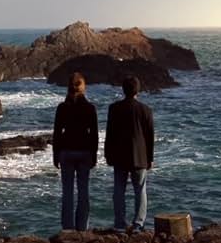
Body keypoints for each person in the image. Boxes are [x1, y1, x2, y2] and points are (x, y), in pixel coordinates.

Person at [105, 76, 154, 233]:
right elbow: (149, 136)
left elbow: (109, 134)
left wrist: (107, 154)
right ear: (138, 90)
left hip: (119, 155)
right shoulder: (146, 110)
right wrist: (150, 158)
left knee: (119, 190)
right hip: (140, 156)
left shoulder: (114, 108)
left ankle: (120, 223)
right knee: (140, 190)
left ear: (123, 90)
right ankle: (138, 223)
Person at [53, 72, 98, 231]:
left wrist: (55, 155)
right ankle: (82, 228)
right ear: (83, 87)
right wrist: (94, 155)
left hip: (66, 151)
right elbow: (94, 134)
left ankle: (67, 228)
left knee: (67, 193)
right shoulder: (90, 108)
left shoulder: (62, 107)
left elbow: (57, 133)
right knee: (83, 193)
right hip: (85, 151)